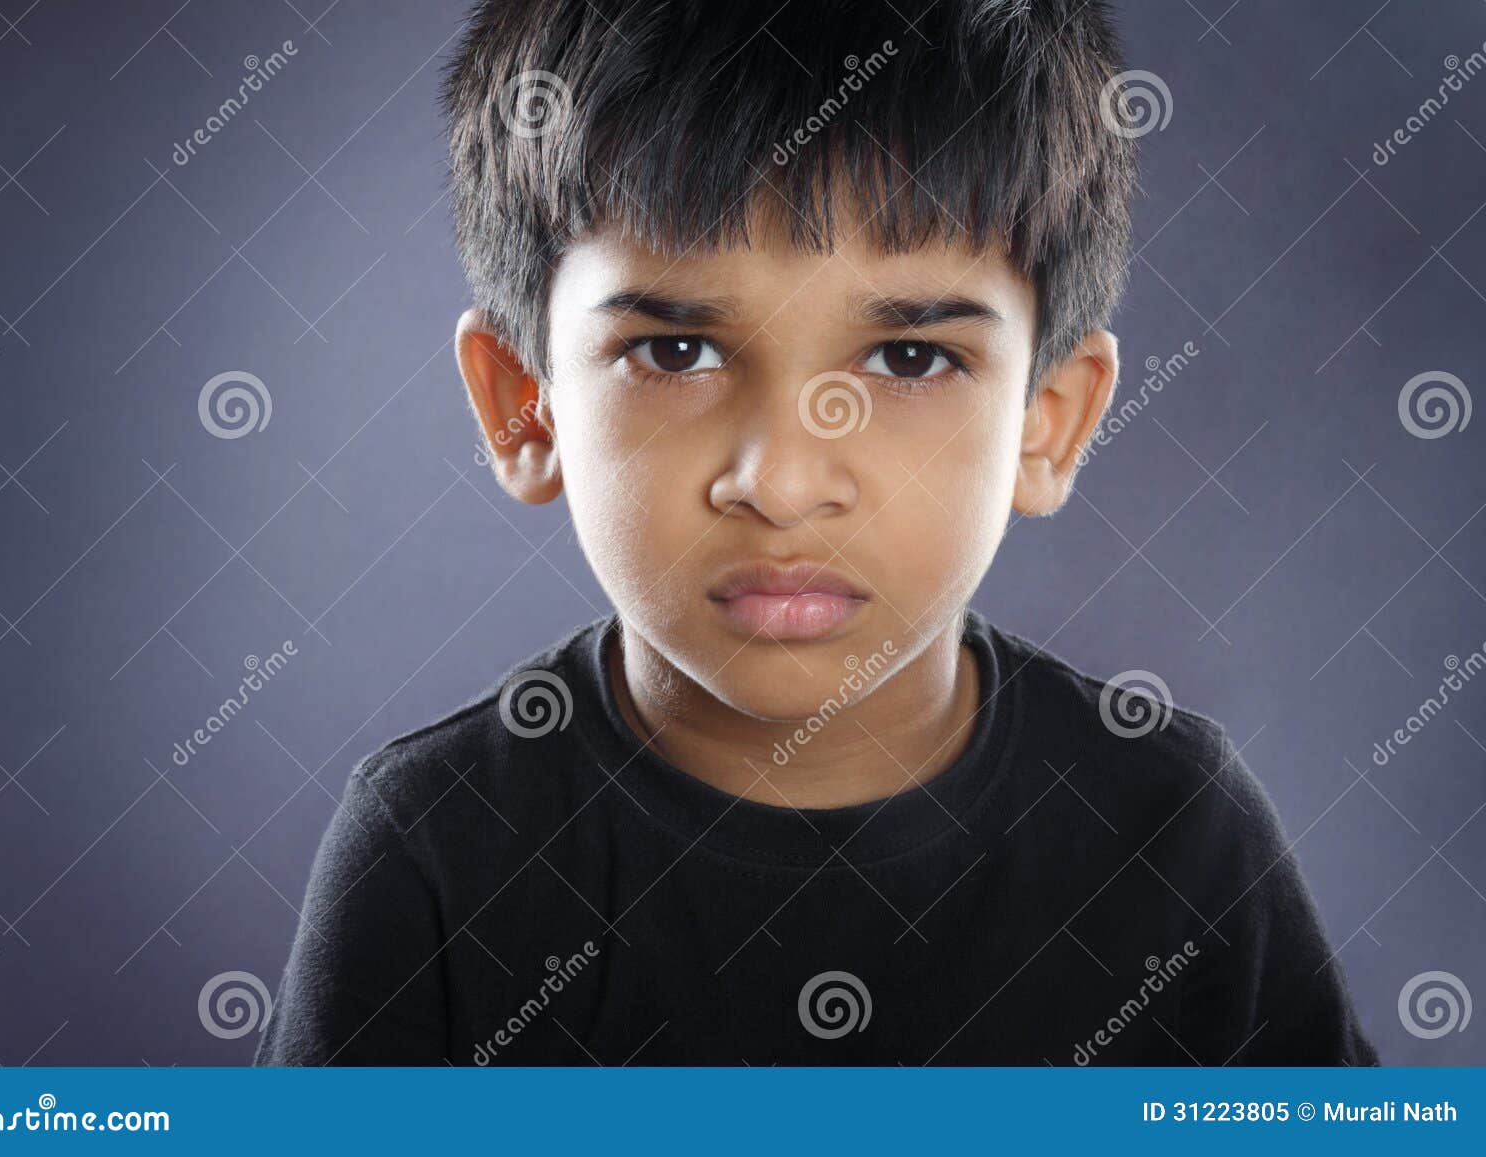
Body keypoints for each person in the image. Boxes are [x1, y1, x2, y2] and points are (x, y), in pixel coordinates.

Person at [256, 0, 1378, 1065]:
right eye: (675, 352)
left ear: (1049, 421)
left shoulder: (1172, 833)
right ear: (525, 409)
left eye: (909, 358)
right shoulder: (438, 854)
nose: (783, 485)